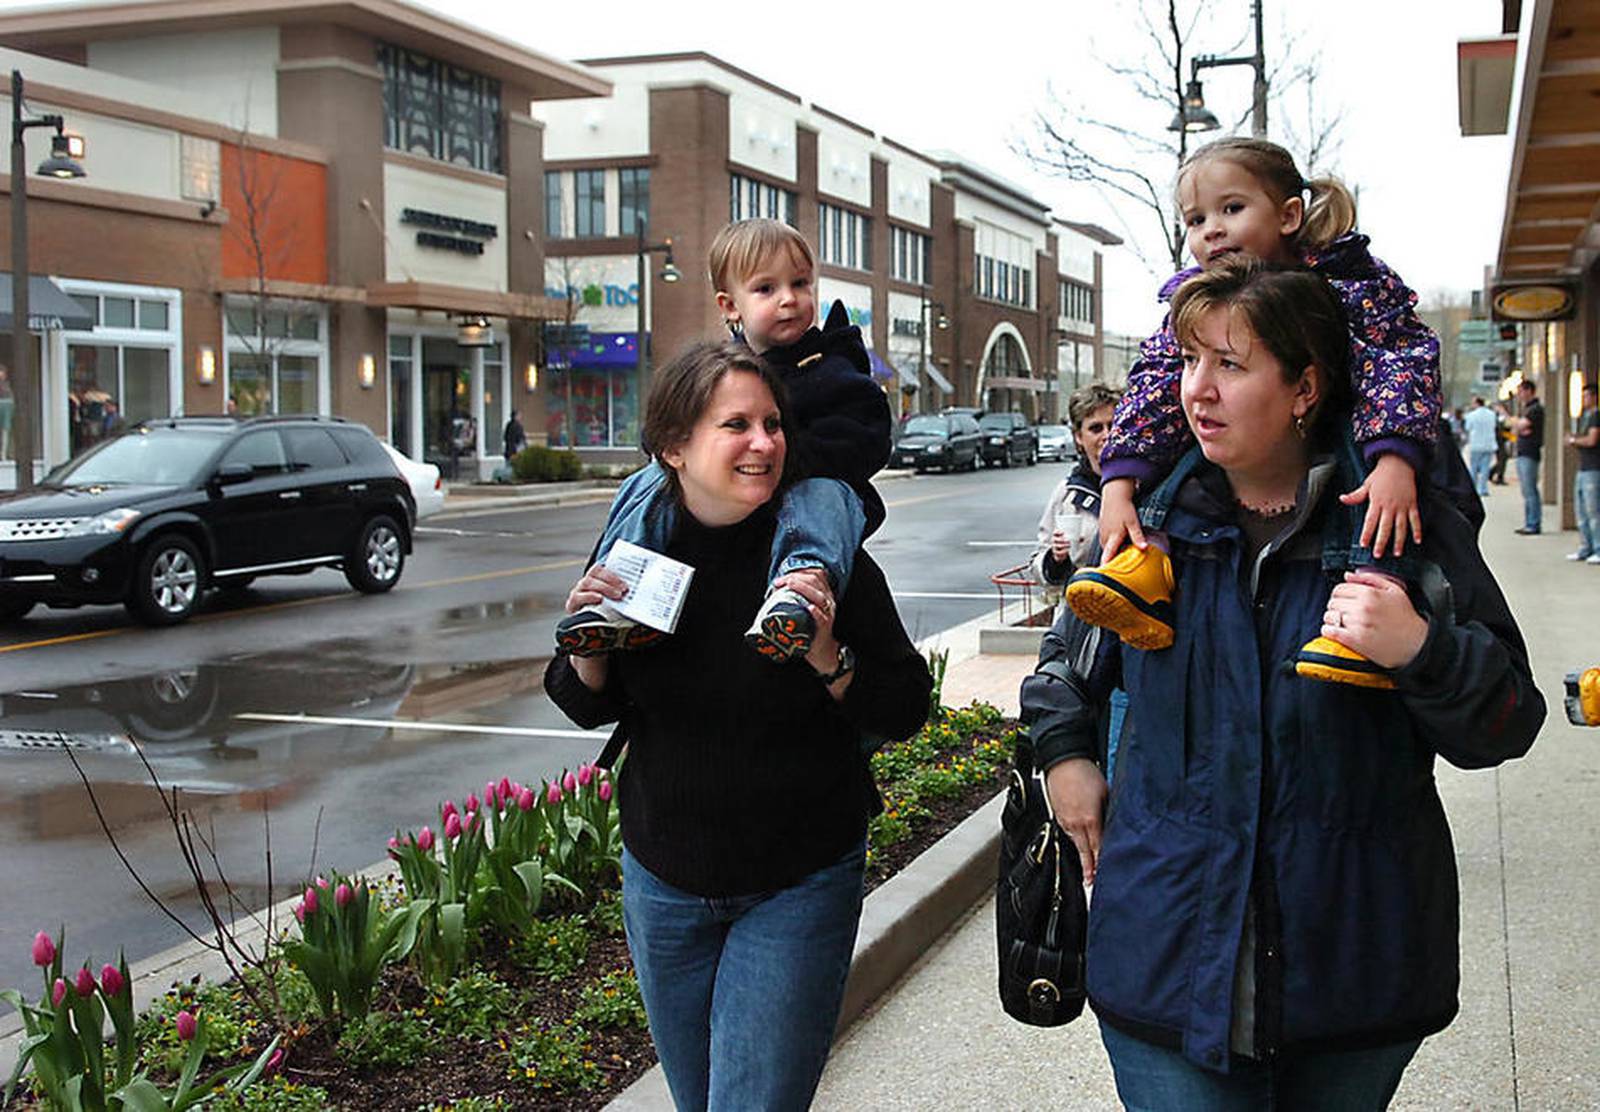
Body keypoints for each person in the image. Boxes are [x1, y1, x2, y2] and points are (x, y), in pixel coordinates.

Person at [1021, 260, 1544, 1109]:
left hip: (1353, 973)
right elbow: (1061, 669)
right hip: (1164, 956)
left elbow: (1507, 722)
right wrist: (1064, 757)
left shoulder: (1400, 529)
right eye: (1189, 361)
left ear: (1305, 387)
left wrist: (1421, 650)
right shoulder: (1146, 523)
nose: (1197, 389)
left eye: (1230, 364)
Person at [544, 341, 930, 1111]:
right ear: (673, 447)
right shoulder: (644, 546)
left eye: (773, 424)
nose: (765, 443)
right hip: (664, 879)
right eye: (737, 426)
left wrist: (827, 654)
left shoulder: (816, 563)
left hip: (796, 880)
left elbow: (904, 705)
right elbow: (587, 701)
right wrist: (588, 648)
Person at [1066, 137, 1440, 689]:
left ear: (1289, 215)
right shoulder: (1190, 303)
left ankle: (1367, 603)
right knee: (1178, 459)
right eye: (1195, 220)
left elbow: (1402, 362)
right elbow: (1150, 390)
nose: (1211, 230)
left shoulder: (1350, 284)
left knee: (1372, 503)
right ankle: (1147, 568)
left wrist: (1396, 459)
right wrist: (1119, 485)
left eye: (1231, 209)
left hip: (1361, 444)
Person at [556, 218, 891, 662]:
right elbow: (664, 433)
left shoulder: (831, 367)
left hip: (816, 500)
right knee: (650, 480)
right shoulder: (720, 373)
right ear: (730, 305)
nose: (789, 299)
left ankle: (797, 591)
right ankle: (619, 591)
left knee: (821, 492)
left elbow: (869, 437)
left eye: (800, 283)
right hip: (716, 528)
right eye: (766, 288)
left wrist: (784, 462)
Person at [1031, 383, 1120, 603]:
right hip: (1079, 614)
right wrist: (1055, 559)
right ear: (1079, 437)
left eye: (1113, 425)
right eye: (1096, 428)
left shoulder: (1145, 485)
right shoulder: (1067, 494)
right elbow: (1039, 568)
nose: (1107, 435)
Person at [1567, 381, 1600, 562]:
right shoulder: (1585, 417)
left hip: (1594, 468)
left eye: (1587, 396)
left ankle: (1598, 548)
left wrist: (1574, 441)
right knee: (1581, 511)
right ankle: (1585, 547)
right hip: (1583, 467)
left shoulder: (1596, 416)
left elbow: (1591, 440)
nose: (1584, 399)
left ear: (1595, 397)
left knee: (1593, 510)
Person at [1514, 377, 1544, 534]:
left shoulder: (1535, 409)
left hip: (1530, 453)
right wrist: (1519, 428)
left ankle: (1533, 523)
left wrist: (1516, 424)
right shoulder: (1526, 409)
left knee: (1530, 489)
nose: (1519, 395)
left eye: (1520, 392)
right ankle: (1529, 522)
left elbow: (1518, 425)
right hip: (1522, 452)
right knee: (1526, 490)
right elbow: (1517, 428)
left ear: (1529, 391)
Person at [1463, 394, 1497, 496]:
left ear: (1476, 403)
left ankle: (1473, 488)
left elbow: (1467, 428)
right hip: (1489, 444)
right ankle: (1483, 489)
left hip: (1476, 444)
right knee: (1485, 468)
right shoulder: (1492, 414)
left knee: (1474, 467)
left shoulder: (1471, 415)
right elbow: (1494, 426)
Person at [1490, 400, 1513, 485]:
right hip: (1498, 441)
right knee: (1502, 459)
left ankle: (1493, 474)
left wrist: (1511, 438)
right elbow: (1500, 431)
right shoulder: (1496, 418)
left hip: (1503, 440)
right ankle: (1498, 476)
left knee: (1503, 459)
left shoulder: (1505, 417)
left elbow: (1509, 428)